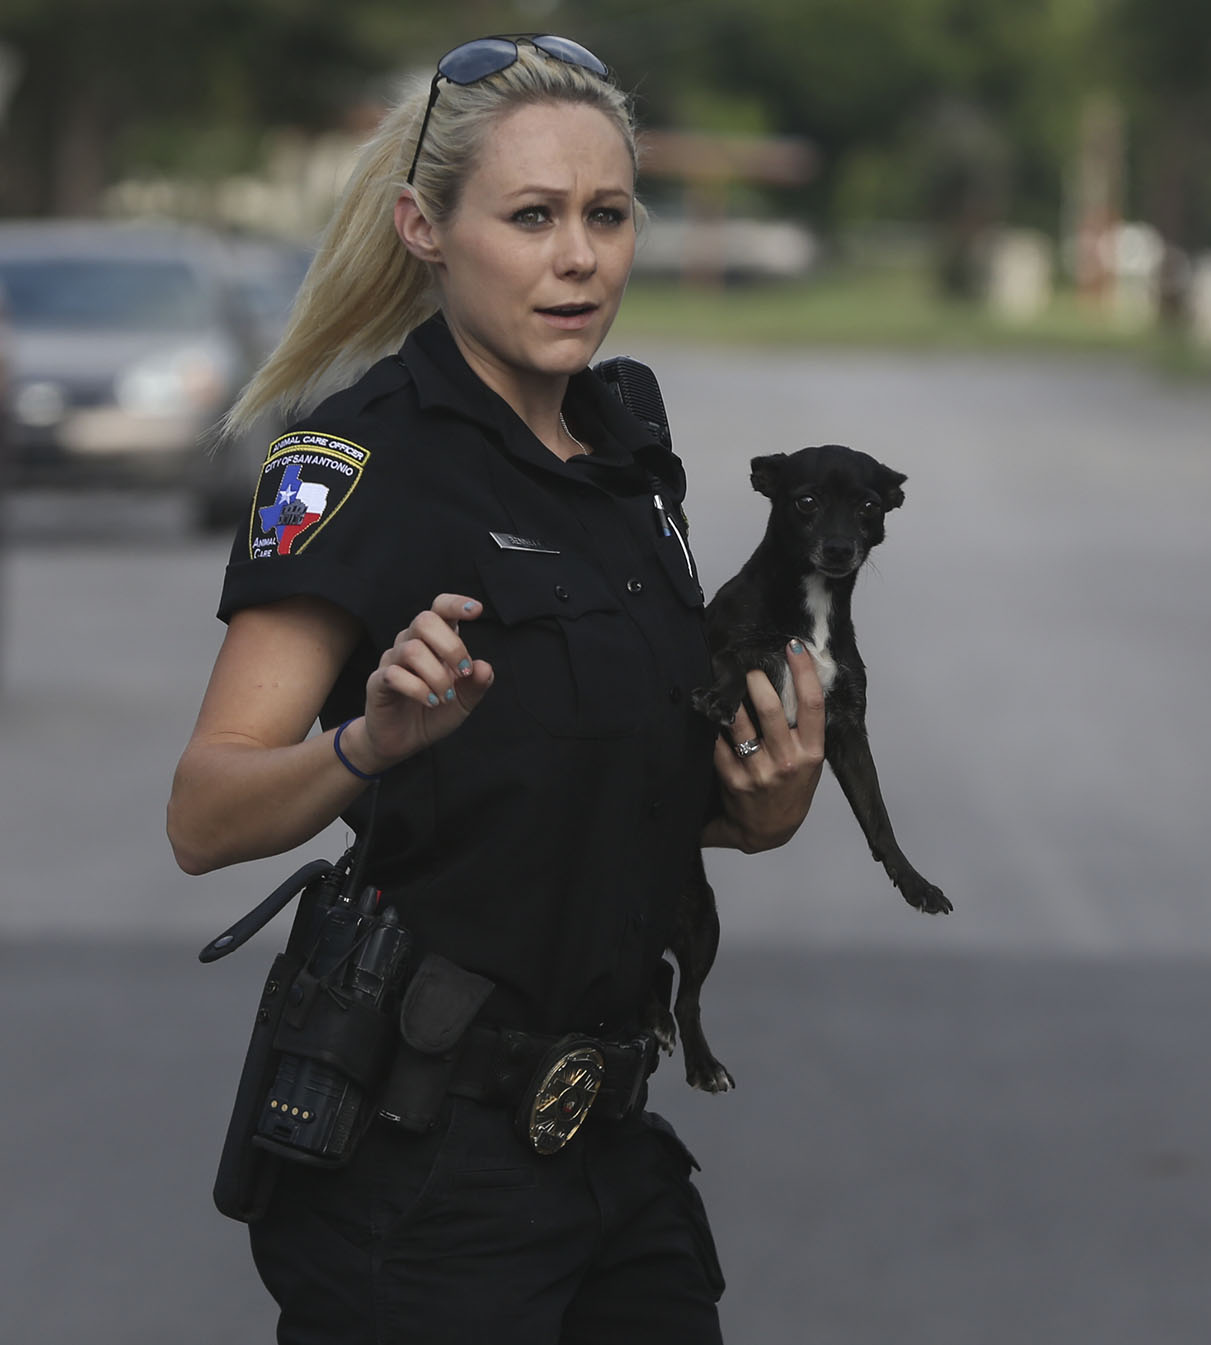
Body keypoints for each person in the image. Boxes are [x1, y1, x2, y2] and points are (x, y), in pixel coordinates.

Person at [166, 35, 824, 1344]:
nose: (578, 256)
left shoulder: (626, 456)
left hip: (607, 1154)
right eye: (531, 217)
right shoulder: (352, 463)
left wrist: (760, 803)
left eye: (607, 214)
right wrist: (369, 740)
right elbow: (204, 814)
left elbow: (592, 780)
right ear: (425, 227)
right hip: (423, 1184)